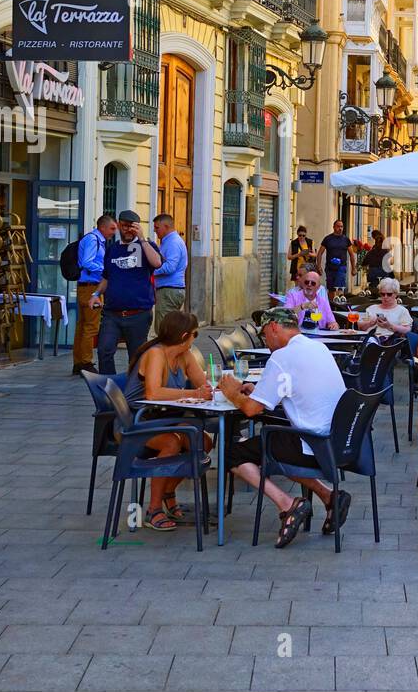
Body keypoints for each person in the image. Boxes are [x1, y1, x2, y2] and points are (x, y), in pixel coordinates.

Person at [218, 308, 349, 548]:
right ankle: (329, 496)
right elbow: (296, 388)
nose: (264, 341)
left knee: (232, 455)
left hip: (313, 444)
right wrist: (256, 391)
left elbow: (250, 411)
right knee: (275, 446)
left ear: (274, 328)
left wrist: (232, 393)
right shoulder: (317, 347)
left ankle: (287, 504)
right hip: (340, 443)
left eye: (265, 335)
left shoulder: (282, 357)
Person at [121, 311, 214, 531]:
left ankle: (168, 491)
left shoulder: (184, 355)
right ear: (184, 335)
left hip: (166, 418)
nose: (194, 338)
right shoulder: (156, 354)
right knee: (171, 443)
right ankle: (153, 509)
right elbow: (153, 394)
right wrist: (195, 395)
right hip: (136, 422)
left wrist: (221, 387)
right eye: (194, 334)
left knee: (202, 442)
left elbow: (203, 384)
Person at [92, 210, 163, 374]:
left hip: (138, 313)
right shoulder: (112, 249)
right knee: (104, 351)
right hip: (112, 314)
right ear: (118, 226)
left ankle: (134, 392)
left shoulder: (146, 246)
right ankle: (109, 389)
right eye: (125, 226)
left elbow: (157, 263)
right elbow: (106, 277)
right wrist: (95, 295)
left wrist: (142, 239)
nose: (128, 230)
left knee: (136, 356)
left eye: (132, 226)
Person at [72, 213, 116, 375]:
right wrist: (105, 270)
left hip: (87, 286)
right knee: (90, 326)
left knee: (83, 325)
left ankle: (79, 362)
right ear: (102, 227)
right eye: (112, 228)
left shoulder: (97, 240)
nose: (113, 232)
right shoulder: (93, 239)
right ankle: (85, 362)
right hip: (91, 288)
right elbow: (86, 262)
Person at [152, 213, 188, 333]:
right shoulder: (169, 241)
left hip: (169, 290)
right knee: (171, 329)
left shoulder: (173, 242)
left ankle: (166, 351)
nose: (154, 230)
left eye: (157, 227)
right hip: (171, 289)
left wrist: (151, 272)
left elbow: (170, 267)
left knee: (164, 330)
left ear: (166, 226)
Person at [317, 219, 356, 292]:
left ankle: (340, 302)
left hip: (341, 267)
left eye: (342, 226)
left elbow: (351, 254)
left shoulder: (346, 239)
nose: (340, 228)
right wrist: (319, 266)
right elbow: (319, 253)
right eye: (338, 226)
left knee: (340, 288)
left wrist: (353, 268)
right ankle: (331, 303)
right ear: (334, 227)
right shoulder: (327, 239)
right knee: (331, 289)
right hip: (330, 268)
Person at [361, 229, 390, 293]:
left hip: (373, 272)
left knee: (373, 290)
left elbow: (364, 262)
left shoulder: (371, 252)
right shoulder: (386, 251)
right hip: (384, 272)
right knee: (384, 290)